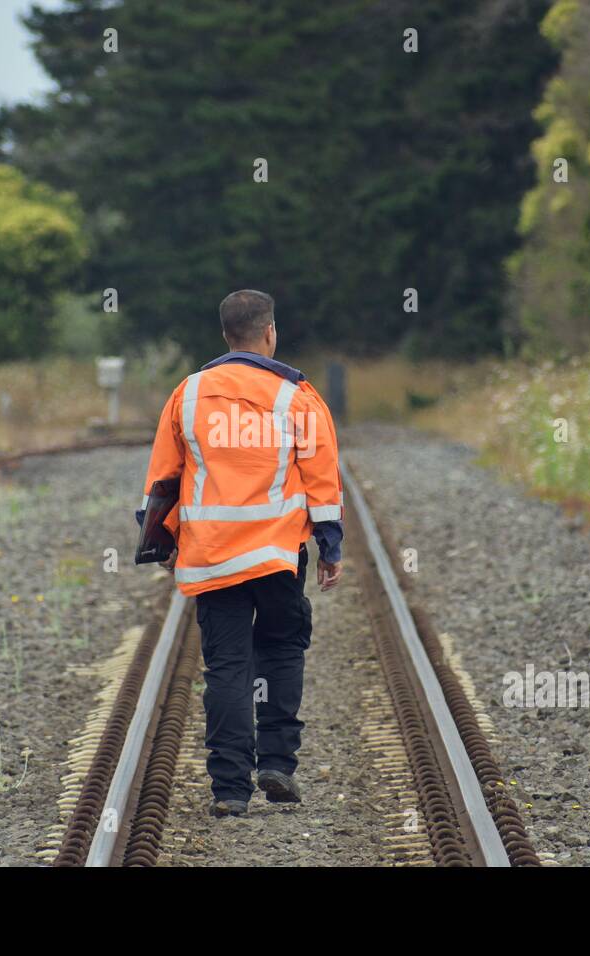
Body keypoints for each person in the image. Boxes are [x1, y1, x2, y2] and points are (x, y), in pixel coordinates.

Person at [135, 289, 343, 817]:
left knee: (226, 666)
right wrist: (330, 545)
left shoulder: (187, 394)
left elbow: (161, 479)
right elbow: (322, 480)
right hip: (276, 553)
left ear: (226, 335)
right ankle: (277, 762)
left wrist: (158, 538)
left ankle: (230, 790)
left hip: (212, 555)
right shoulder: (296, 396)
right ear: (269, 331)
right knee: (280, 646)